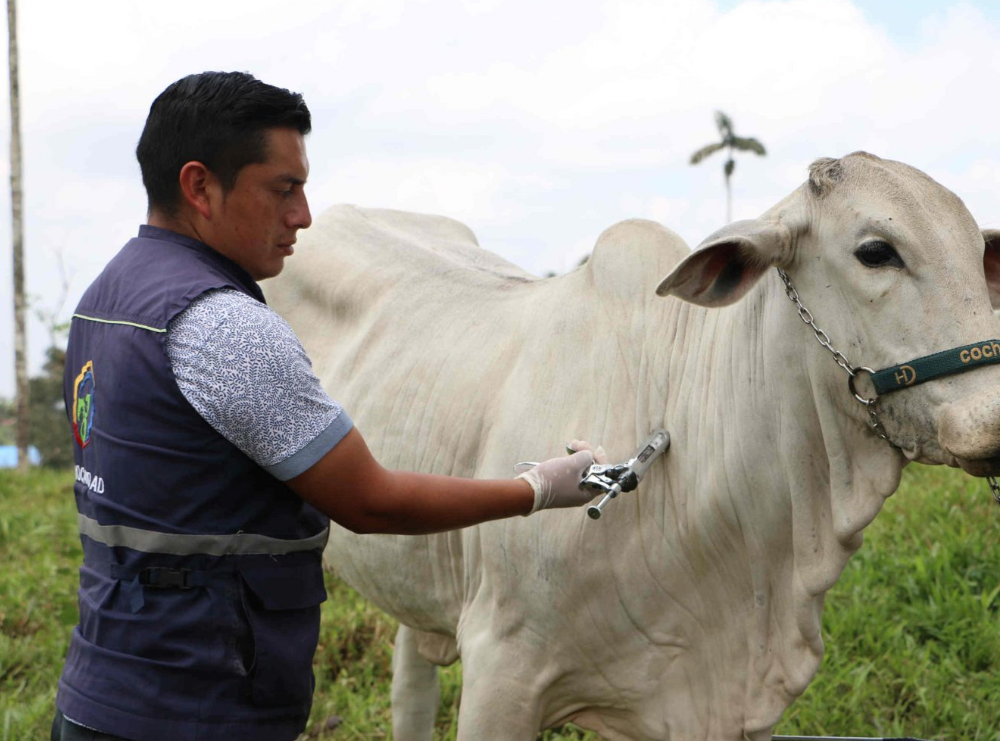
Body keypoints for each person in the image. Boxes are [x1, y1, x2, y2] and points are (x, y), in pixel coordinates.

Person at [54, 71, 604, 741]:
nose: (304, 216)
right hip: (198, 704)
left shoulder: (105, 299)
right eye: (282, 189)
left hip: (100, 691)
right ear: (200, 186)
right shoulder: (226, 329)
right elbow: (370, 501)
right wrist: (536, 489)